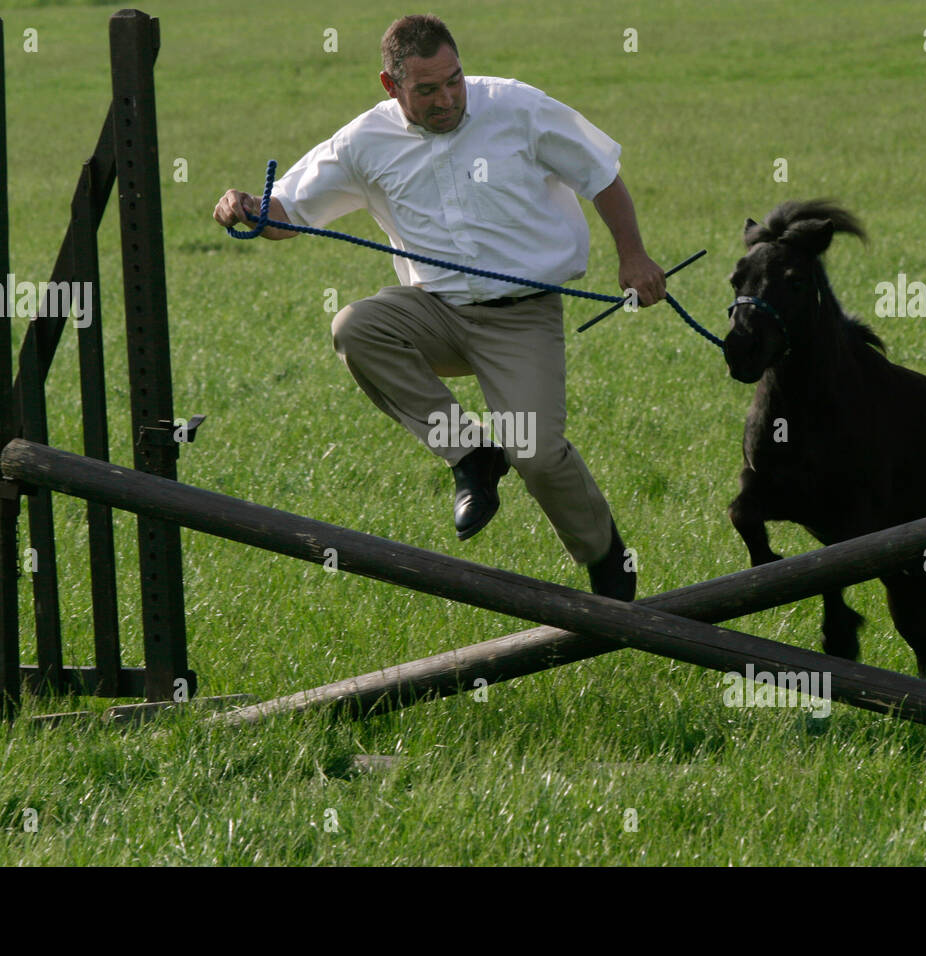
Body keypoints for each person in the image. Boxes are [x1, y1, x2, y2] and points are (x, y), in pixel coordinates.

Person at [213, 14, 666, 601]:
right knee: (356, 325)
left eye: (454, 81)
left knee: (537, 455)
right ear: (390, 85)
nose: (448, 98)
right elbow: (287, 216)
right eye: (427, 90)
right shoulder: (361, 143)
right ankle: (471, 455)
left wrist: (634, 256)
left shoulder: (517, 107)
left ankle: (607, 562)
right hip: (436, 313)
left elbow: (601, 173)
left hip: (522, 317)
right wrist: (245, 207)